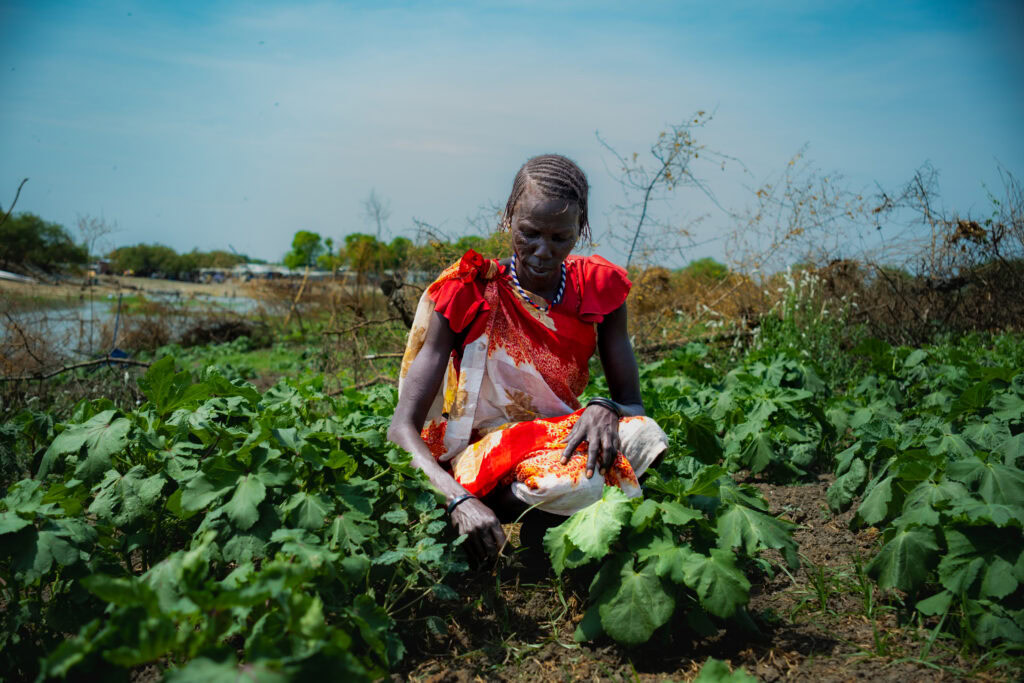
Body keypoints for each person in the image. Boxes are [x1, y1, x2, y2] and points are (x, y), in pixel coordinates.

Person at [388, 154, 668, 563]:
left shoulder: (599, 289)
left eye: (560, 237)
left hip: (557, 439)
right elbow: (401, 429)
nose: (542, 251)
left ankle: (550, 523)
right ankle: (530, 514)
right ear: (508, 218)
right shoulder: (468, 290)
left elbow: (632, 405)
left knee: (646, 436)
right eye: (529, 233)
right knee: (579, 484)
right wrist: (456, 500)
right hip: (480, 456)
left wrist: (603, 407)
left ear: (581, 228)